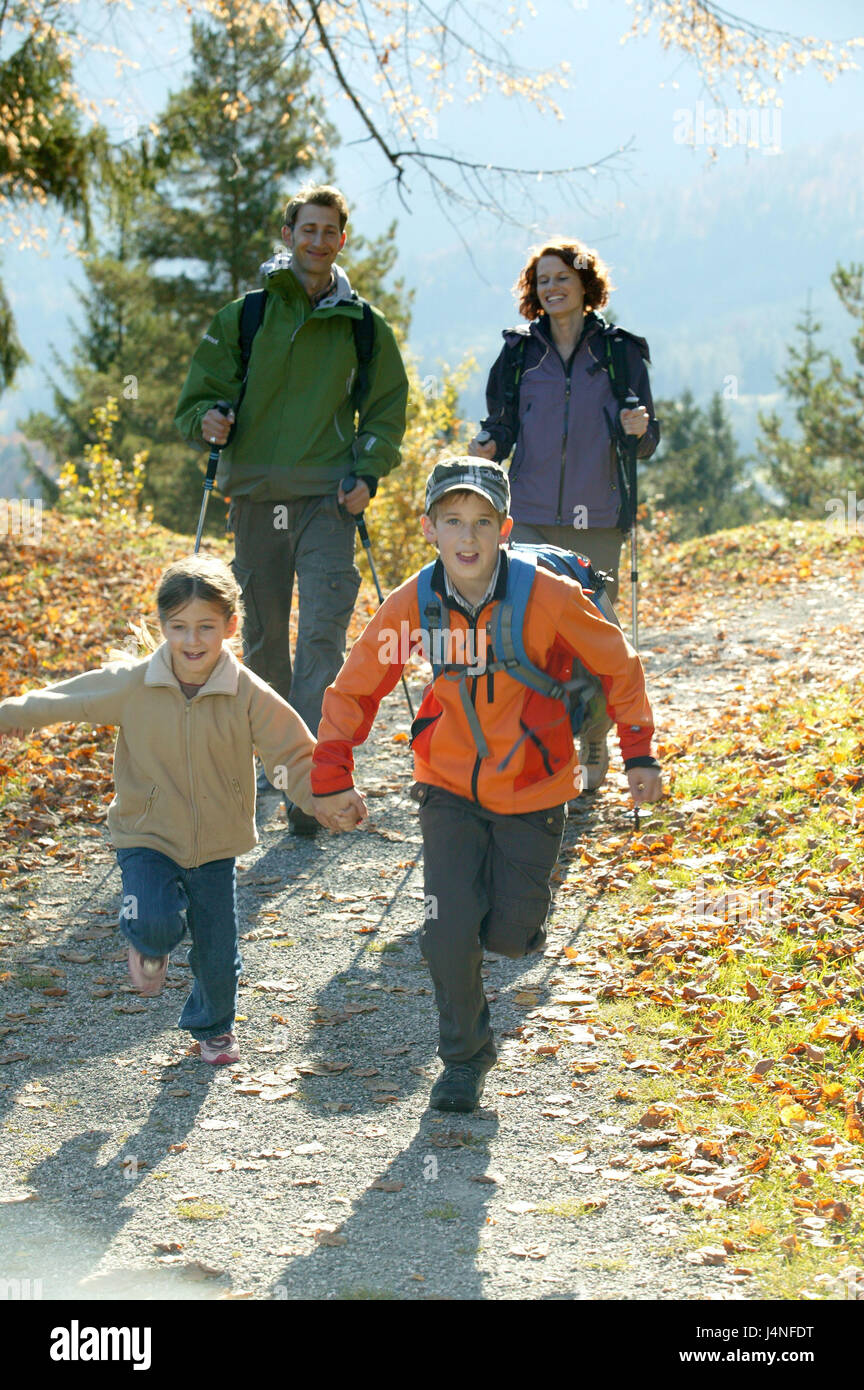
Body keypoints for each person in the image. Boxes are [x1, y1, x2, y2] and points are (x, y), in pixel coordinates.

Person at [310, 458, 662, 1113]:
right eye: (452, 522)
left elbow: (619, 667)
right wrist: (331, 773)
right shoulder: (415, 602)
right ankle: (465, 1061)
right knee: (447, 930)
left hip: (536, 787)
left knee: (508, 935)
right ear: (429, 528)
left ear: (503, 528)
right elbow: (357, 685)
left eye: (480, 523)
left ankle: (513, 927)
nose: (466, 538)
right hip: (447, 785)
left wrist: (638, 753)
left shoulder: (549, 597)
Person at [0, 555, 333, 1065]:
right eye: (178, 627)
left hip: (216, 844)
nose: (192, 641)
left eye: (205, 627)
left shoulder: (246, 693)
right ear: (163, 626)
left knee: (219, 952)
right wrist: (16, 714)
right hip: (145, 835)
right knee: (155, 921)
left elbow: (291, 754)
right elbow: (74, 698)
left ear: (230, 626)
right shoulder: (136, 683)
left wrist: (326, 799)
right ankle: (149, 944)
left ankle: (214, 1027)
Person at [175, 184, 409, 835]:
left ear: (342, 239)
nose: (317, 240)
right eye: (307, 229)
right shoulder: (246, 317)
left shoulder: (362, 325)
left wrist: (367, 469)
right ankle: (280, 763)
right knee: (263, 639)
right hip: (254, 500)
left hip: (327, 500)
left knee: (323, 636)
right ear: (288, 236)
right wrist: (209, 419)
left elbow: (387, 409)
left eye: (329, 230)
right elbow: (199, 394)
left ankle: (316, 777)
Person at [468, 238, 660, 790]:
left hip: (596, 518)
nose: (552, 289)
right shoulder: (519, 354)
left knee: (593, 637)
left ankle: (594, 735)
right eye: (542, 281)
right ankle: (538, 745)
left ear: (585, 286)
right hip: (525, 515)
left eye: (562, 279)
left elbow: (647, 440)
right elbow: (502, 425)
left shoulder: (620, 353)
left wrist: (640, 430)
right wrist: (486, 443)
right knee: (524, 635)